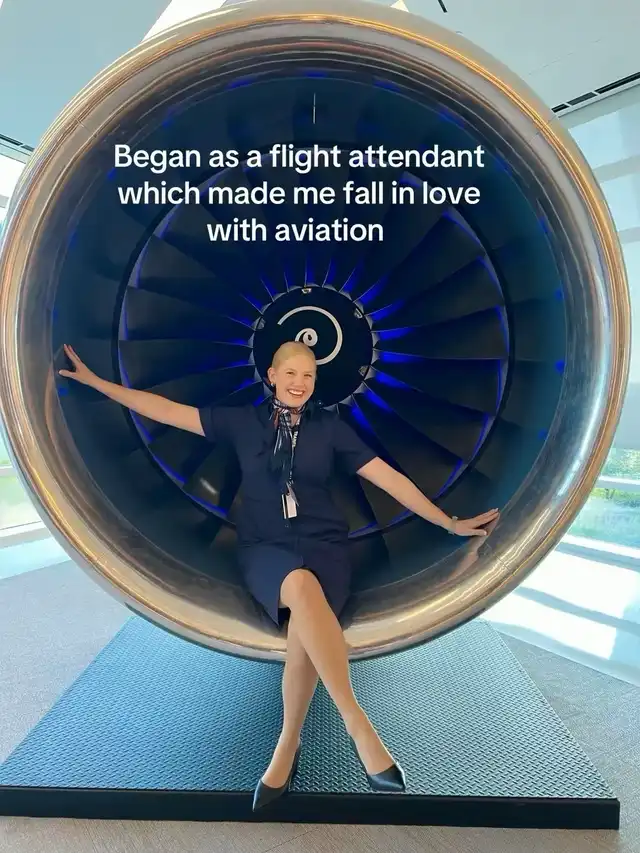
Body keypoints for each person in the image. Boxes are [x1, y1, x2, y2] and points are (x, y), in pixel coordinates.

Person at [59, 340, 499, 810]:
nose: (299, 383)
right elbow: (165, 410)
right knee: (301, 588)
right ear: (271, 374)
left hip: (325, 545)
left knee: (302, 633)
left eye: (308, 376)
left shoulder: (330, 428)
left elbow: (388, 478)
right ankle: (357, 723)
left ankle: (288, 745)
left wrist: (447, 523)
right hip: (265, 547)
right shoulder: (241, 423)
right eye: (290, 373)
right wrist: (99, 384)